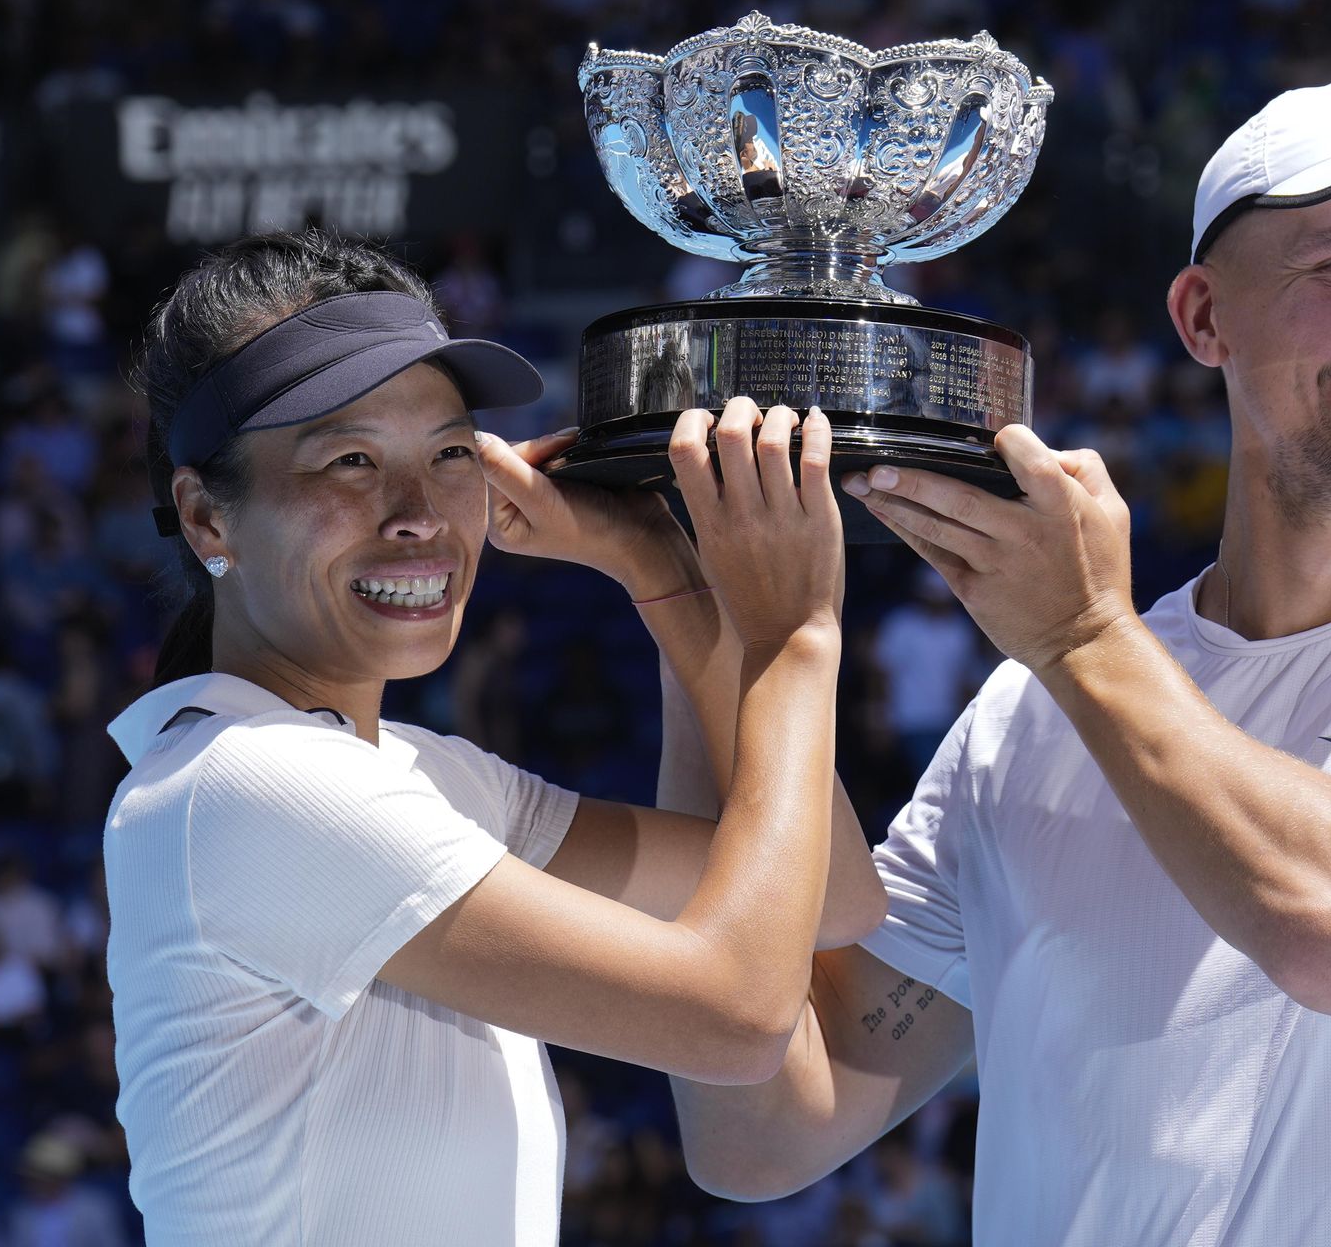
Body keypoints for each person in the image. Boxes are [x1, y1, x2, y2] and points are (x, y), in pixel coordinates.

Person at [669, 79, 1331, 1244]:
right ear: (1204, 316)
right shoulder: (1025, 714)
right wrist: (700, 606)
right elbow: (762, 1131)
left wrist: (1084, 638)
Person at [102, 230, 883, 1242]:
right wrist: (792, 636)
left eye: (450, 454)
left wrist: (664, 573)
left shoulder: (422, 775)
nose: (420, 513)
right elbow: (734, 1016)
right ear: (207, 519)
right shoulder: (250, 782)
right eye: (350, 460)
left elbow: (830, 894)